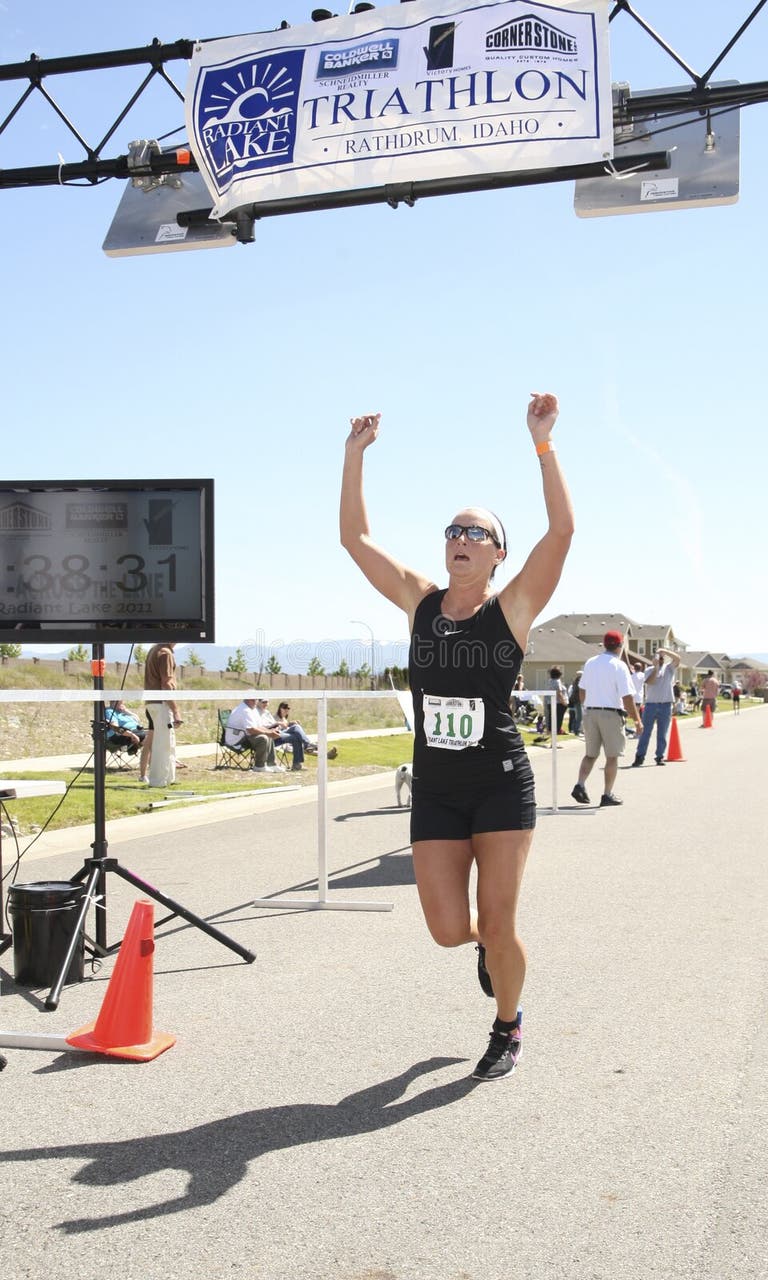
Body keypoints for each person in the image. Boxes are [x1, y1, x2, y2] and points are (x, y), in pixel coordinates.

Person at [340, 392, 574, 1082]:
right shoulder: (419, 602)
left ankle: (508, 1023)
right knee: (450, 930)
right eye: (453, 531)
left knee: (499, 922)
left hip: (501, 785)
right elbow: (355, 539)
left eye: (476, 533)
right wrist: (354, 457)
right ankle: (489, 952)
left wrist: (543, 443)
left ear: (498, 553)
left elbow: (561, 532)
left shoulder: (514, 608)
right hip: (438, 791)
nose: (461, 539)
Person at [571, 631, 642, 808]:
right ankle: (607, 794)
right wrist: (637, 720)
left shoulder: (591, 663)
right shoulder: (619, 666)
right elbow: (627, 697)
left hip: (591, 712)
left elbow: (582, 690)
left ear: (605, 644)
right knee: (612, 756)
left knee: (590, 754)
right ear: (619, 646)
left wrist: (586, 706)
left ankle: (580, 784)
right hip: (611, 713)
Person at [631, 646, 681, 766]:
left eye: (662, 658)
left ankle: (660, 756)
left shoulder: (669, 668)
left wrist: (665, 651)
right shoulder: (649, 670)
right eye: (658, 658)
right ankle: (640, 756)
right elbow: (650, 682)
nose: (660, 660)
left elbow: (678, 659)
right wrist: (656, 668)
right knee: (645, 732)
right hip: (651, 705)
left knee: (662, 733)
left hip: (665, 705)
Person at [144, 641, 182, 787]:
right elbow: (166, 683)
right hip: (161, 703)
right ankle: (158, 781)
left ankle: (168, 778)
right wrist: (176, 710)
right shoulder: (165, 653)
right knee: (163, 743)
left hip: (153, 702)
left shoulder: (155, 649)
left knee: (168, 741)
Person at [225, 698, 282, 771]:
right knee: (263, 738)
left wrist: (270, 731)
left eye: (257, 700)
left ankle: (271, 764)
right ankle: (259, 766)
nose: (257, 702)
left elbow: (259, 726)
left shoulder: (252, 709)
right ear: (249, 700)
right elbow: (251, 730)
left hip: (245, 735)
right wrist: (268, 732)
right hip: (237, 740)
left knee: (269, 735)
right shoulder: (245, 710)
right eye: (255, 700)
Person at [273, 701, 338, 761]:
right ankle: (324, 754)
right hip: (281, 741)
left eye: (288, 708)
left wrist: (290, 724)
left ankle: (323, 753)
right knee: (302, 742)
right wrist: (289, 724)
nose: (286, 710)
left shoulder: (284, 719)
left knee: (303, 744)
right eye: (284, 708)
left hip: (289, 739)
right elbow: (277, 729)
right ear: (280, 708)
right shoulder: (275, 717)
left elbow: (286, 728)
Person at [546, 666, 568, 736]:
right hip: (558, 704)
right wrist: (564, 703)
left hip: (551, 703)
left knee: (552, 723)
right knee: (557, 724)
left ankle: (552, 742)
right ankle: (554, 743)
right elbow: (559, 693)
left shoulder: (550, 681)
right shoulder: (557, 681)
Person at [567, 670, 583, 736]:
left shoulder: (576, 681)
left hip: (577, 700)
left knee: (577, 716)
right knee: (579, 716)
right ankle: (576, 730)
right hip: (578, 701)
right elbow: (580, 691)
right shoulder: (578, 682)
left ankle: (574, 729)